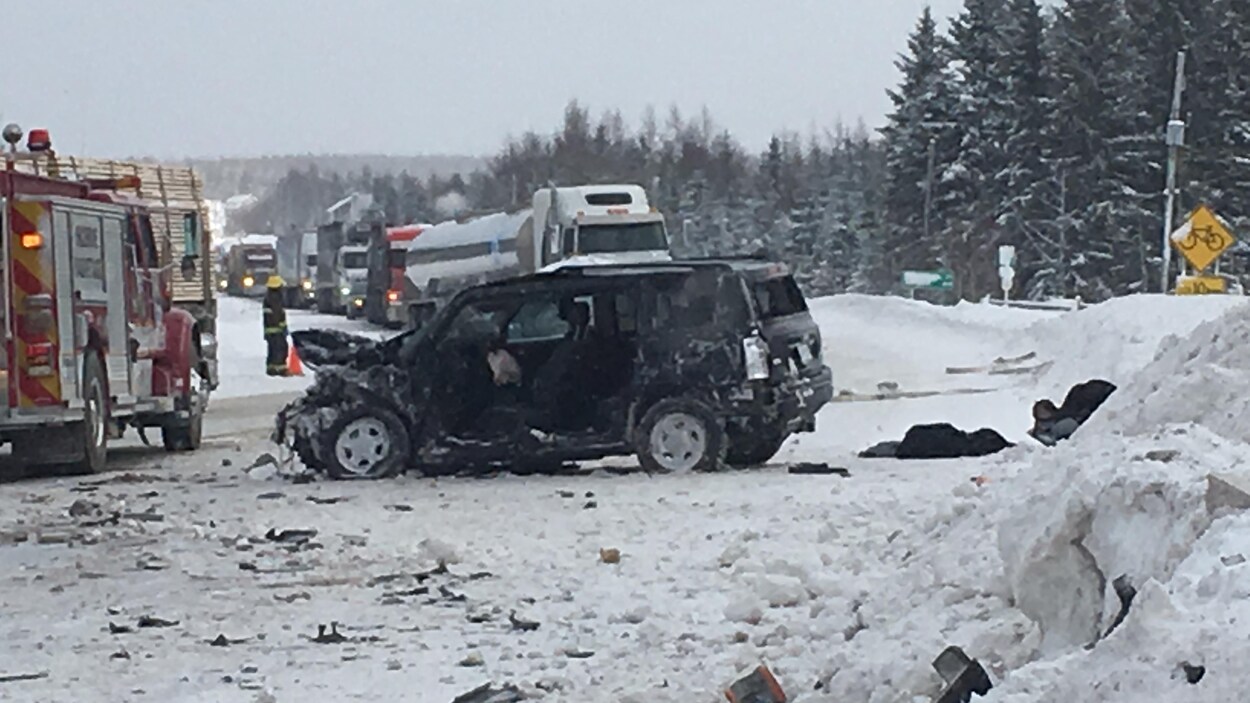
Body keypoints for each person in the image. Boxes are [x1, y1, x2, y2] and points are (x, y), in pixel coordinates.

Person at [263, 275, 290, 377]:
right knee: (281, 349)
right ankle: (280, 369)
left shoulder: (269, 297)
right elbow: (277, 314)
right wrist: (283, 327)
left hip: (270, 330)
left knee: (272, 349)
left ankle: (271, 369)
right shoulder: (275, 298)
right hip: (276, 330)